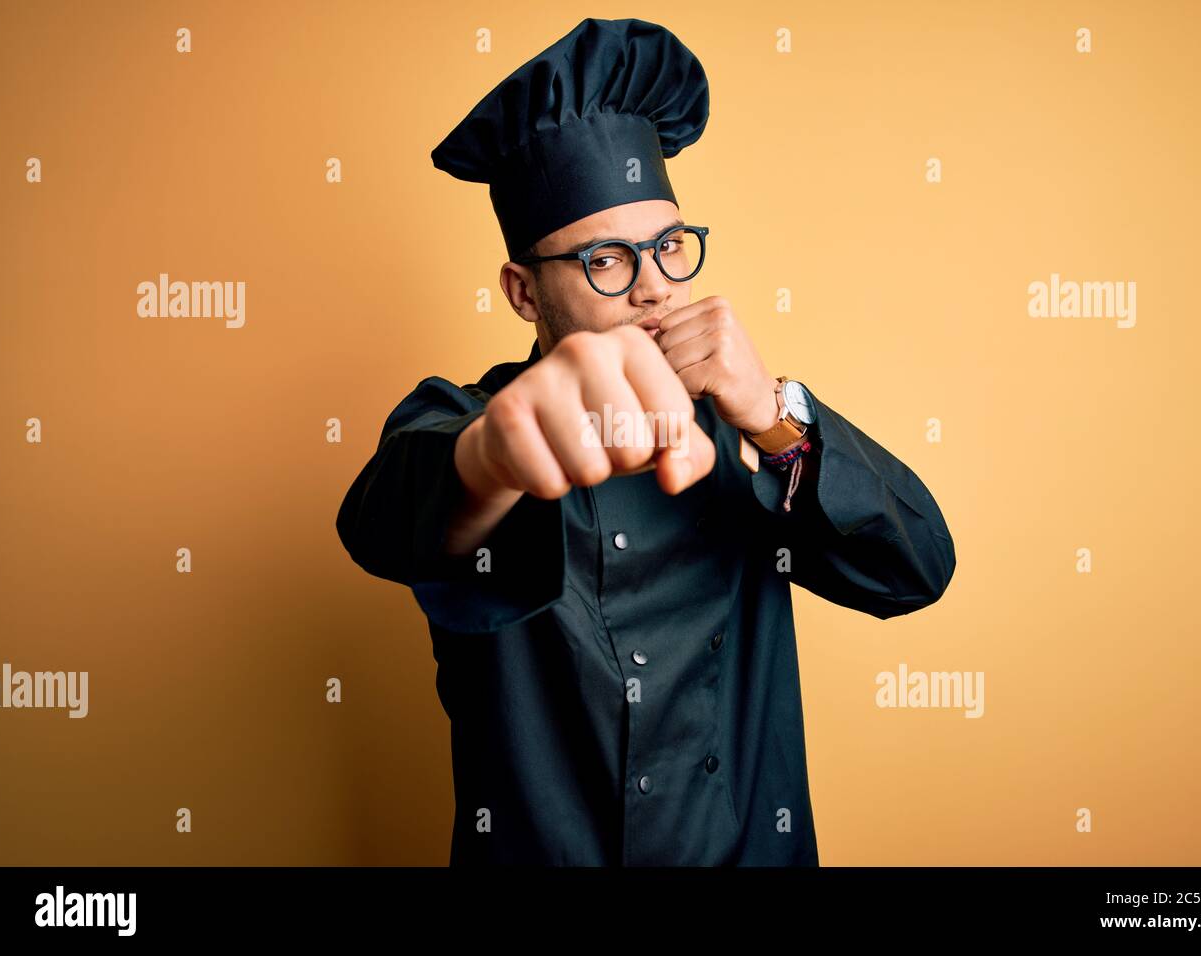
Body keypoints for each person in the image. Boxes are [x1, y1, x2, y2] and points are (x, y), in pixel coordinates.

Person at [336, 17, 957, 866]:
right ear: (523, 292)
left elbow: (916, 570)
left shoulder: (751, 432)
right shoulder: (458, 419)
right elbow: (388, 518)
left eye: (669, 247)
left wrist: (775, 414)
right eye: (606, 261)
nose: (656, 290)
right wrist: (495, 456)